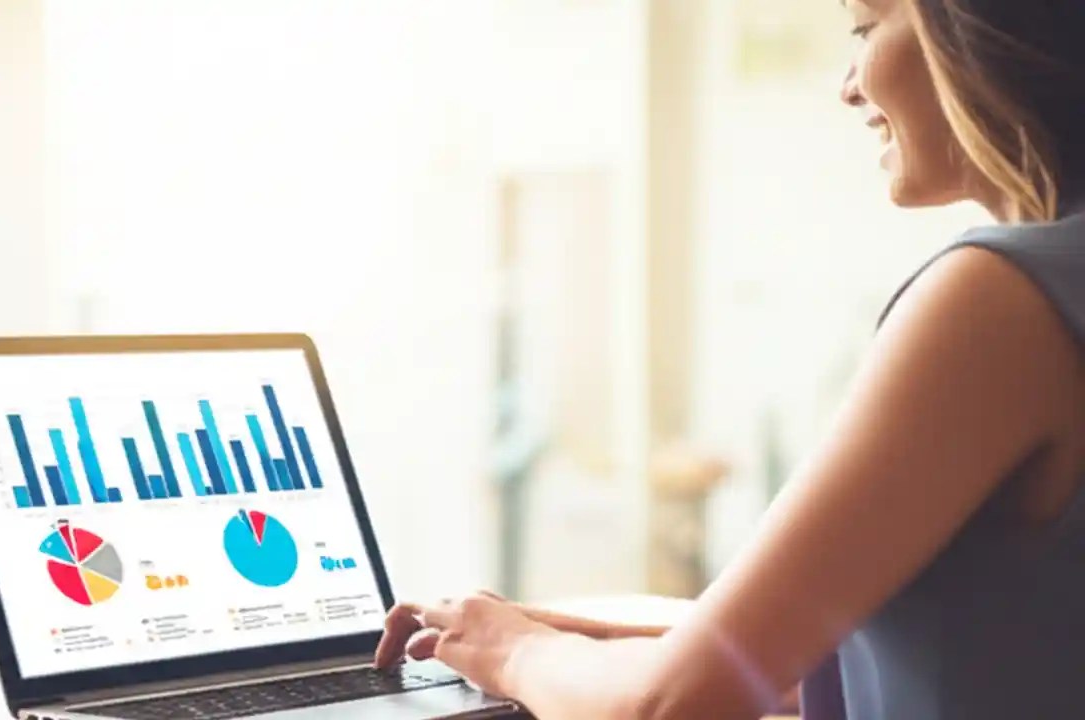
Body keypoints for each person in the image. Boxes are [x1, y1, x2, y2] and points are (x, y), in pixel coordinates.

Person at [374, 0, 1085, 718]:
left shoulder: (998, 302)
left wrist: (517, 655)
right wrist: (575, 642)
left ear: (981, 26)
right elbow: (978, 653)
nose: (848, 84)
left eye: (865, 29)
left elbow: (669, 705)